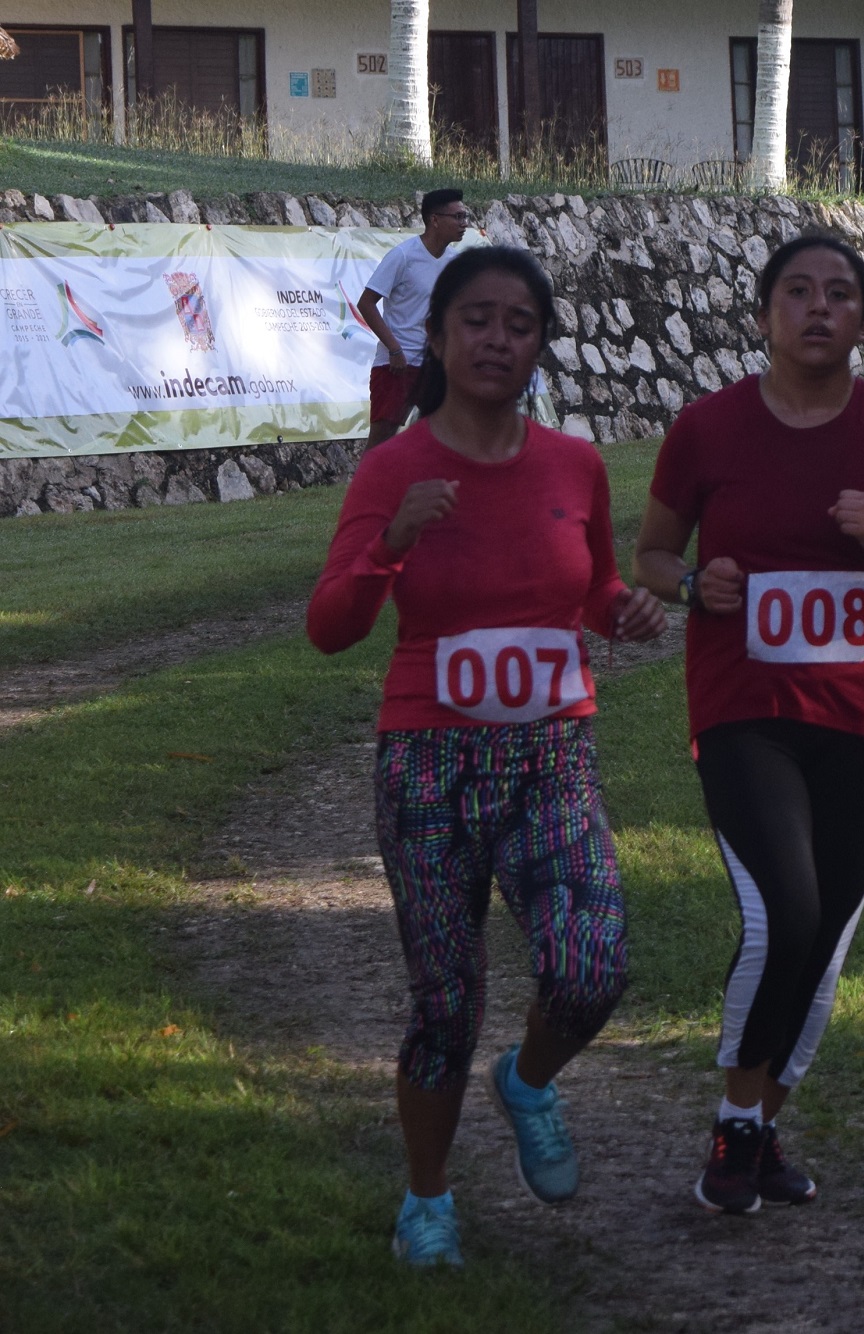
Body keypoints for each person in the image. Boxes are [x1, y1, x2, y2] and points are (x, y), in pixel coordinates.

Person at [308, 246, 669, 1267]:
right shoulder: (393, 468)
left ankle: (529, 1079)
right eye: (477, 318)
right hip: (428, 758)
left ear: (539, 344)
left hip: (551, 752)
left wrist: (625, 611)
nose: (496, 337)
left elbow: (590, 585)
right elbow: (330, 625)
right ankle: (428, 1199)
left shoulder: (574, 464)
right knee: (445, 999)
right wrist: (390, 545)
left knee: (591, 961)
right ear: (441, 334)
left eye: (518, 321)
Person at [634, 234, 864, 1215]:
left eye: (839, 294)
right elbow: (652, 555)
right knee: (784, 906)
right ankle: (737, 1127)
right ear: (762, 314)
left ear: (862, 318)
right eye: (796, 292)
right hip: (747, 712)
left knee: (823, 943)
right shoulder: (705, 430)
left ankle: (757, 1125)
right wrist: (697, 582)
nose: (818, 308)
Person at [358, 188, 472, 449]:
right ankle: (366, 489)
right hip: (397, 366)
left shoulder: (454, 263)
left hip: (433, 366)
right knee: (381, 444)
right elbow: (366, 303)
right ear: (434, 220)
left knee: (447, 438)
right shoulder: (403, 256)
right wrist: (394, 349)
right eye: (458, 217)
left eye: (465, 217)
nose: (463, 224)